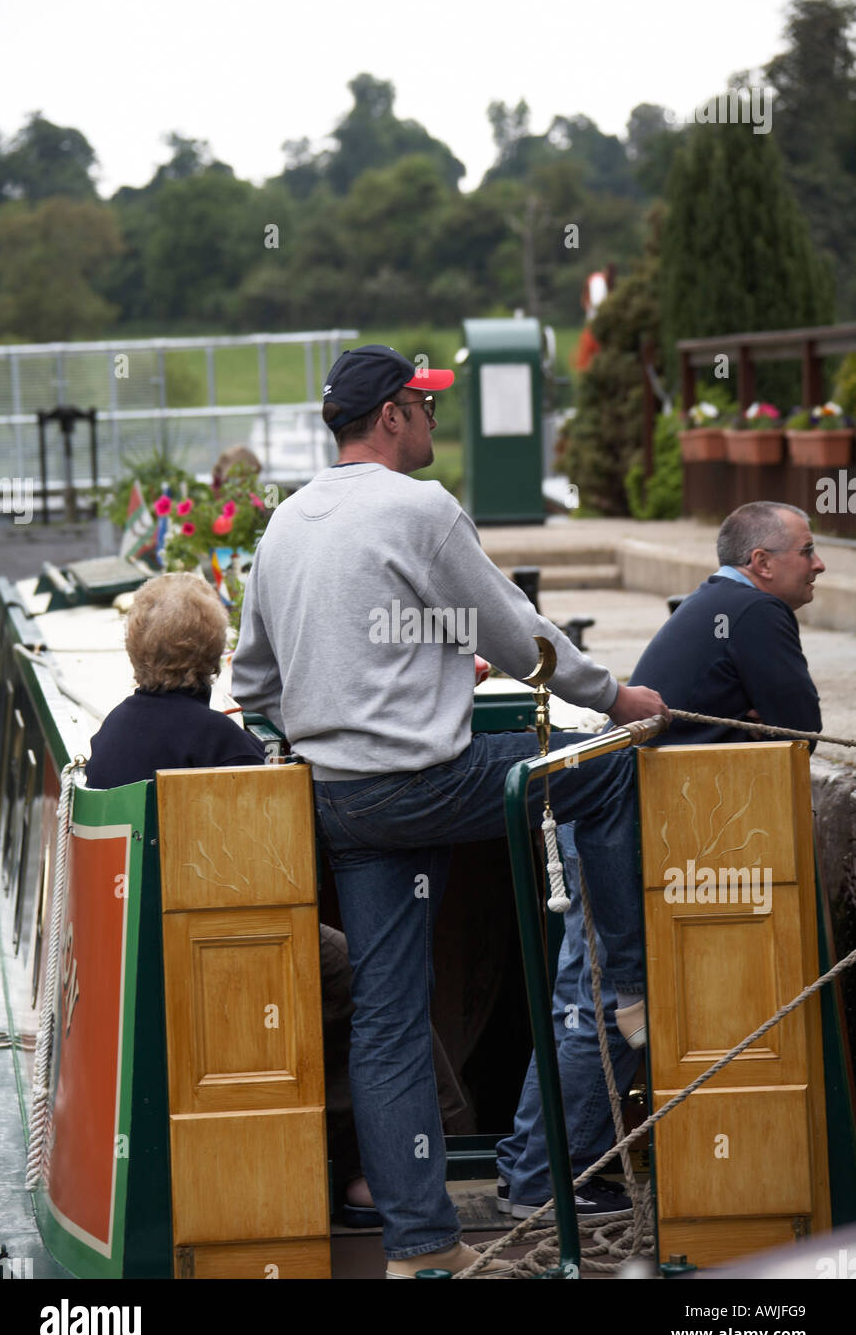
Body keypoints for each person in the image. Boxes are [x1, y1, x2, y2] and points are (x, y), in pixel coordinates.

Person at [231, 343, 669, 1277]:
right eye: (425, 407)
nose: (435, 422)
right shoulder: (421, 507)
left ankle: (422, 1248)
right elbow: (521, 639)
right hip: (426, 788)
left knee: (388, 1020)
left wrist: (406, 671)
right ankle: (627, 984)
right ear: (391, 416)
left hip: (340, 806)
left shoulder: (284, 521)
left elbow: (256, 680)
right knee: (603, 768)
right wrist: (614, 697)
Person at [86, 572, 466, 1220]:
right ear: (213, 656)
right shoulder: (224, 744)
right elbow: (289, 870)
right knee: (370, 980)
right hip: (227, 953)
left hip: (136, 951)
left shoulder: (109, 735)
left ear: (136, 651)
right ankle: (393, 1158)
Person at [496, 500, 824, 1221]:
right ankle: (546, 1182)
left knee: (582, 1003)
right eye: (806, 550)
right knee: (607, 1007)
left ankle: (529, 1166)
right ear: (762, 564)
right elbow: (803, 728)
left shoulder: (720, 606)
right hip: (626, 834)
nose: (820, 562)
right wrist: (762, 727)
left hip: (602, 820)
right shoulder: (758, 613)